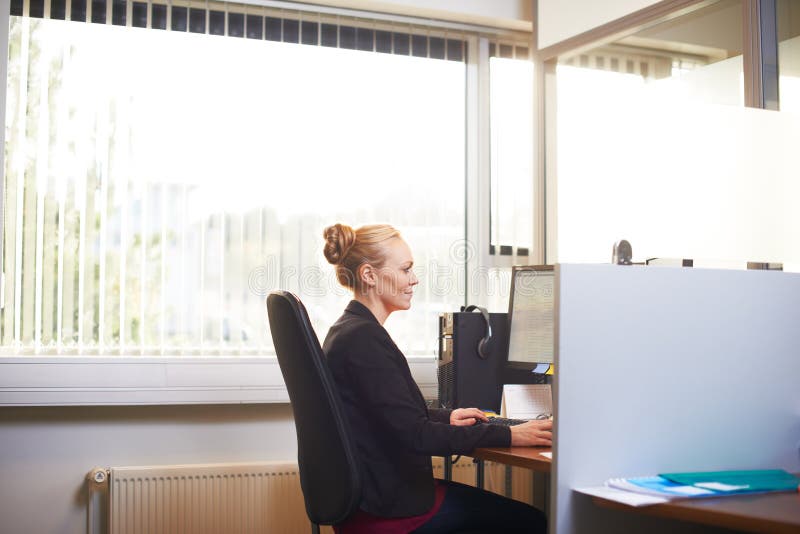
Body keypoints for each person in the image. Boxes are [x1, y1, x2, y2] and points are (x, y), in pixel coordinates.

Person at [322, 222, 552, 534]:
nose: (414, 279)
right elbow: (417, 436)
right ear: (369, 275)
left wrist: (449, 416)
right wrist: (512, 435)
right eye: (405, 269)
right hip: (390, 511)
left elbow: (389, 415)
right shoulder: (363, 340)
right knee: (533, 522)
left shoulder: (348, 331)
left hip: (376, 499)